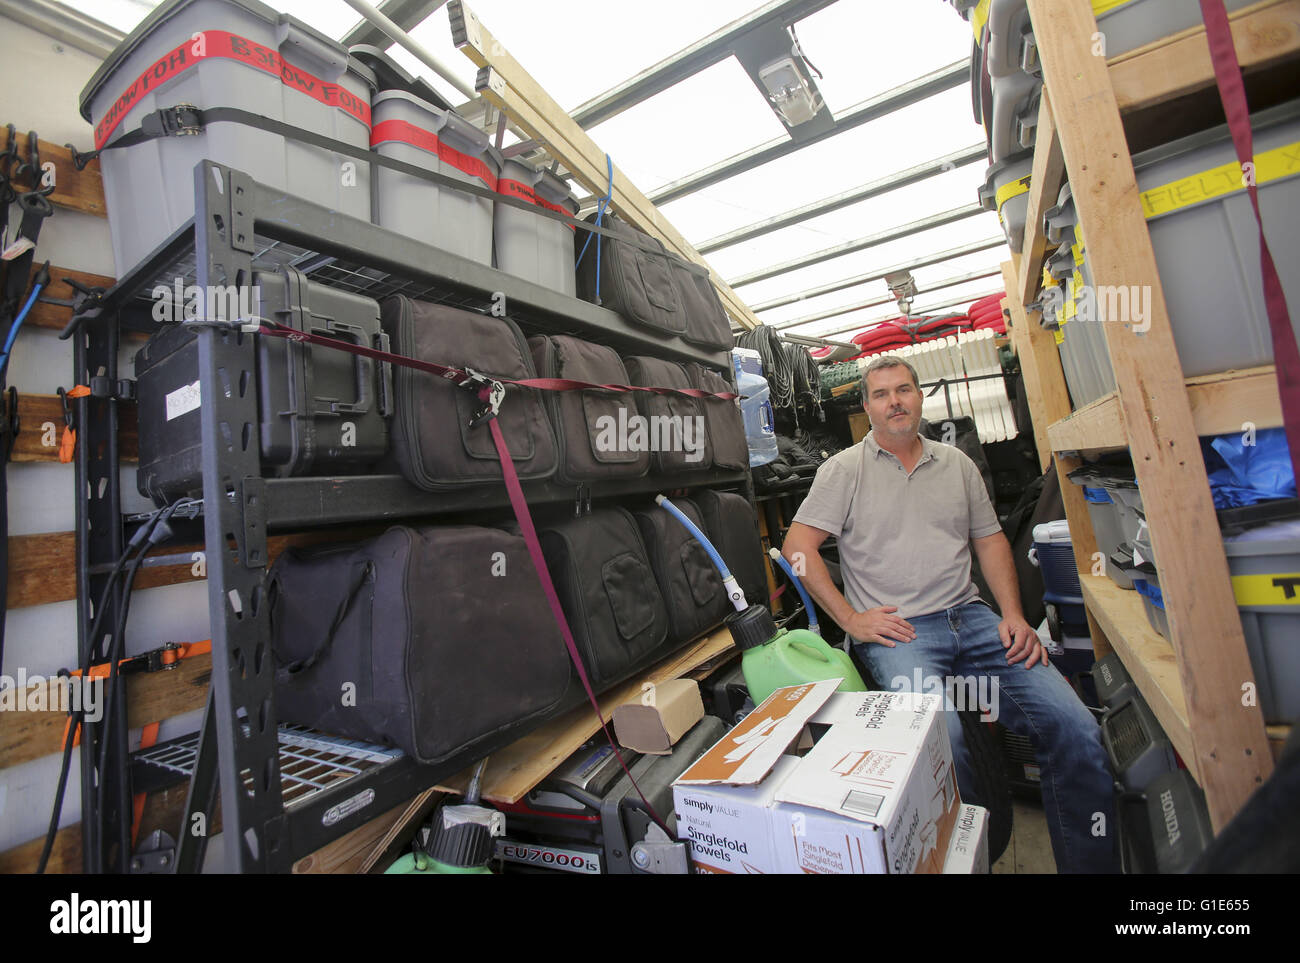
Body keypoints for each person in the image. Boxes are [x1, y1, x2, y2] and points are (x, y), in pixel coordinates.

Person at [782, 354, 1117, 873]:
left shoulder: (957, 464)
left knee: (1076, 729)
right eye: (881, 393)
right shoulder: (842, 470)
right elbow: (797, 545)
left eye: (904, 389)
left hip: (974, 619)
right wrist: (850, 619)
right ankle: (970, 859)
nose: (895, 401)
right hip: (901, 633)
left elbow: (989, 540)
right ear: (866, 407)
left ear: (920, 397)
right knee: (944, 739)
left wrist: (1012, 614)